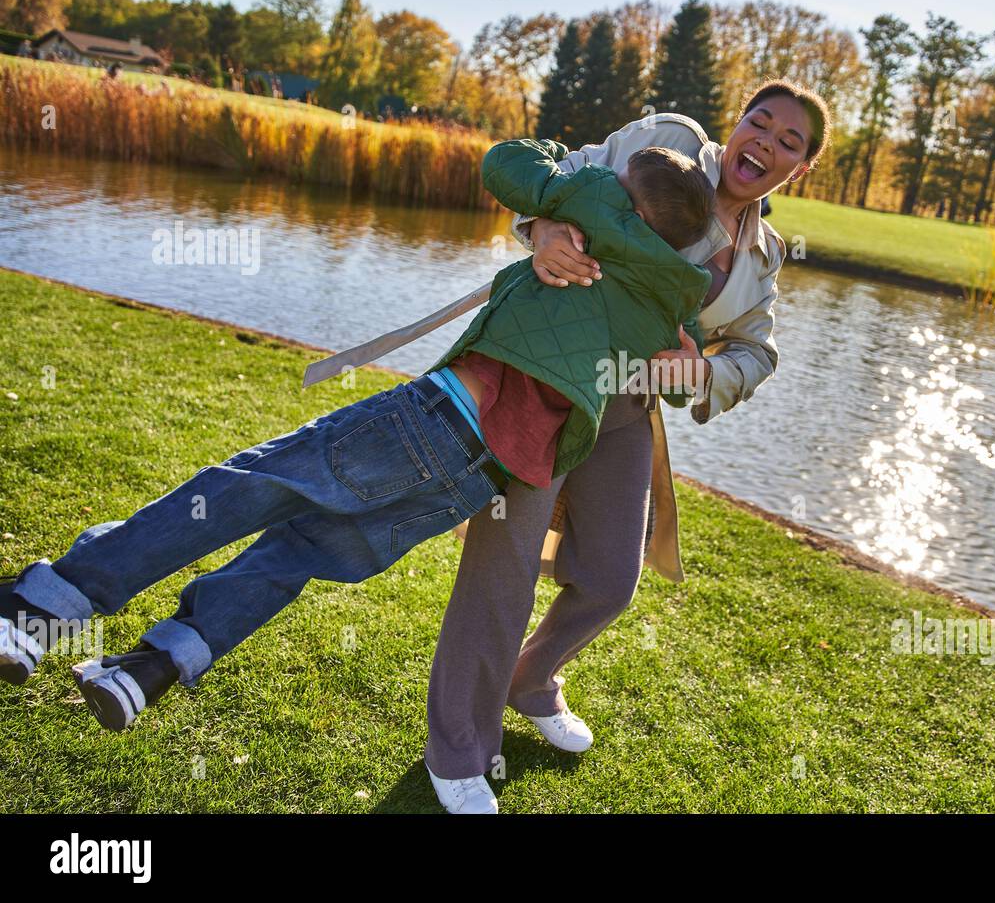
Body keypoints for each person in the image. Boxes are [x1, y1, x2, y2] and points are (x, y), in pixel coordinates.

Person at [0, 142, 715, 746]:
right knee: (301, 550)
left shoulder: (592, 202)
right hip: (480, 479)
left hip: (435, 419)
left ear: (630, 200)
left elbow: (506, 163)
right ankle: (149, 670)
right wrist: (688, 358)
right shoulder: (670, 297)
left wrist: (558, 196)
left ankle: (46, 604)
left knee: (248, 486)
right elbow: (677, 384)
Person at [423, 78, 831, 813]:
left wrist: (702, 368)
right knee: (505, 564)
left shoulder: (764, 257)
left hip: (629, 407)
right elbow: (558, 177)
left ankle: (530, 680)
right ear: (735, 124)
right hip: (552, 376)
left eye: (789, 142)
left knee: (613, 574)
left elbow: (758, 353)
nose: (766, 143)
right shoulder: (670, 141)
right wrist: (541, 228)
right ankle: (459, 748)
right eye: (759, 122)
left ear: (798, 170)